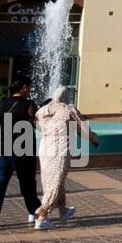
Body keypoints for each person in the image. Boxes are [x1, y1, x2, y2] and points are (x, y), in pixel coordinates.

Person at [33, 87, 97, 230]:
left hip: (44, 149)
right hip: (59, 150)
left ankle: (63, 211)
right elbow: (83, 129)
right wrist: (93, 139)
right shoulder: (69, 109)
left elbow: (37, 125)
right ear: (66, 96)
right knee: (55, 183)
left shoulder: (43, 110)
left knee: (54, 180)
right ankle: (42, 217)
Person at [0, 80, 42, 227]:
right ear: (23, 87)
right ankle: (35, 213)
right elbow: (36, 123)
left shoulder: (3, 103)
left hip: (1, 148)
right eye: (29, 87)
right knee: (28, 183)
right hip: (23, 149)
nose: (30, 90)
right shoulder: (29, 104)